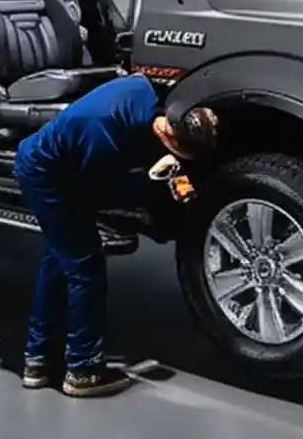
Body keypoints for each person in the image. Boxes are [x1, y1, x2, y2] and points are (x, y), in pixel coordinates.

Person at [13, 73, 219, 397]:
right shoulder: (104, 133)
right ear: (168, 134)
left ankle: (37, 360)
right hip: (45, 175)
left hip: (64, 163)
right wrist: (155, 192)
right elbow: (100, 190)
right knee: (85, 267)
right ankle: (83, 369)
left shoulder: (147, 91)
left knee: (56, 261)